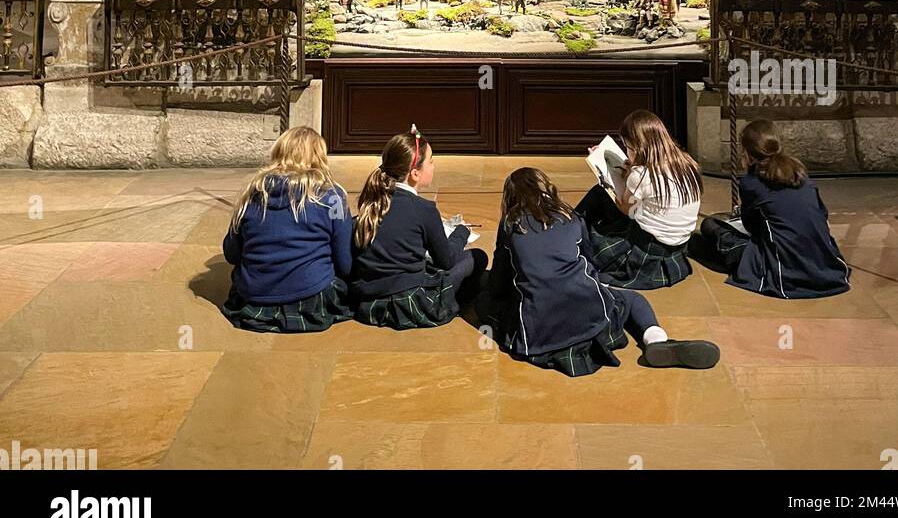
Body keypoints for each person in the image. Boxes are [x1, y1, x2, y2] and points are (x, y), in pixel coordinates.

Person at [484, 167, 720, 377]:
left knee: (489, 307)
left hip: (539, 330)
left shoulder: (510, 224)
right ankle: (655, 339)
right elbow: (588, 260)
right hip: (589, 311)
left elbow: (500, 281)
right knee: (632, 299)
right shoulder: (570, 216)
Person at [690, 119, 850, 299]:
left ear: (747, 153)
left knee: (711, 225)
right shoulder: (800, 172)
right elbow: (823, 213)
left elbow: (751, 226)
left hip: (784, 267)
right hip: (822, 260)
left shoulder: (751, 183)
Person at [349, 125, 487, 328]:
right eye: (431, 162)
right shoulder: (424, 209)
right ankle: (460, 297)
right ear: (415, 173)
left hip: (367, 301)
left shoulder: (370, 205)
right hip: (411, 301)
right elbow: (446, 261)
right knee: (476, 257)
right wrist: (461, 233)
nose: (433, 167)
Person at [221, 127, 353, 332]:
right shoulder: (332, 197)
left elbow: (231, 253)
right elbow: (345, 262)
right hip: (313, 297)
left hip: (254, 299)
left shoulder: (253, 194)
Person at [575, 110, 701, 289]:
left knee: (599, 196)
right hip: (677, 250)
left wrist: (605, 173)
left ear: (639, 147)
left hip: (646, 250)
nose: (627, 151)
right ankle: (571, 224)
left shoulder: (642, 175)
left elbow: (627, 210)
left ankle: (568, 226)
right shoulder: (686, 162)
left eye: (628, 147)